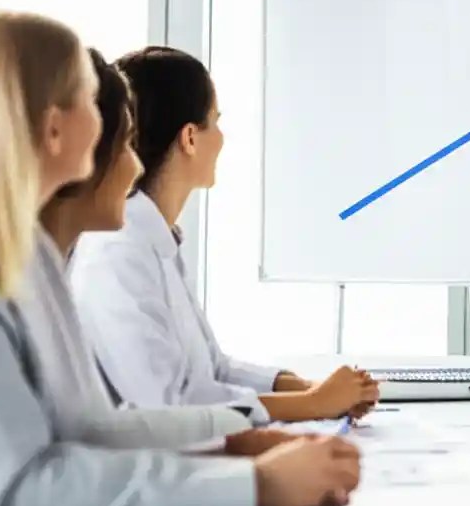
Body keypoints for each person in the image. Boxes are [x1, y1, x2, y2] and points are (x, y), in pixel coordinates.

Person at [0, 9, 361, 506]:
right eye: (88, 97)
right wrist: (255, 485)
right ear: (54, 128)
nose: (114, 126)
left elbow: (89, 429)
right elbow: (19, 489)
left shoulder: (29, 255)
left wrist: (231, 443)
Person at [69, 45, 378, 423]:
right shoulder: (117, 251)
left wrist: (309, 388)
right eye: (215, 121)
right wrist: (314, 403)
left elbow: (214, 369)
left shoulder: (155, 239)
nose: (221, 137)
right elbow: (170, 405)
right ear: (190, 137)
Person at [27, 48, 288, 453]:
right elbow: (164, 408)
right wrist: (295, 418)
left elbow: (206, 375)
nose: (135, 167)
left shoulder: (148, 242)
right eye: (123, 147)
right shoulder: (112, 253)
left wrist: (298, 401)